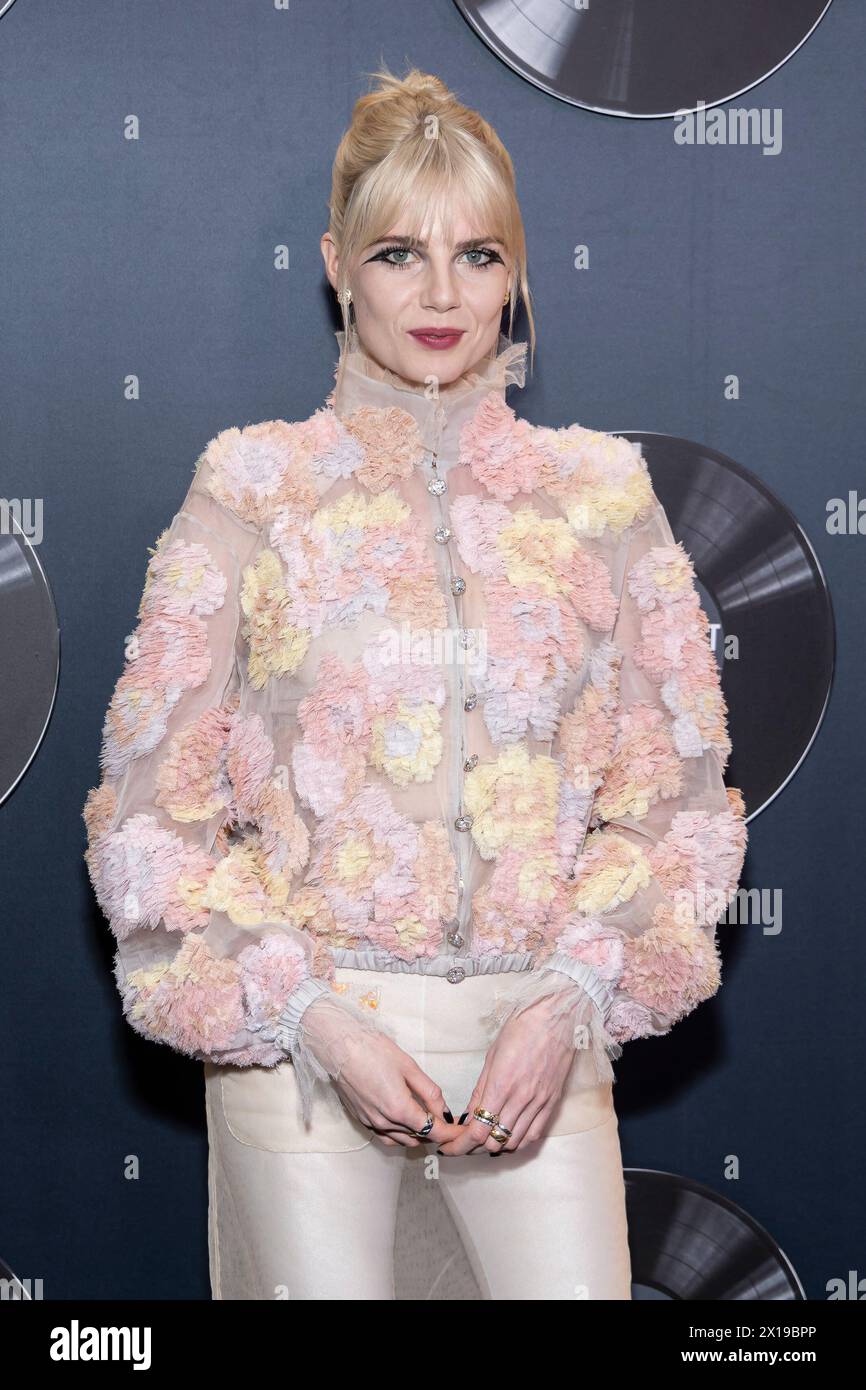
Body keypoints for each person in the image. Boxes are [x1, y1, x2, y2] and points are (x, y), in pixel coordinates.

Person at [82, 65, 748, 1300]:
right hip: (301, 1055)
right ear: (335, 264)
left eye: (477, 254)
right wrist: (312, 1020)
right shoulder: (250, 491)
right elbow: (141, 830)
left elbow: (684, 808)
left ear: (517, 273)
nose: (442, 293)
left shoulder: (601, 496)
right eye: (399, 252)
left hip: (540, 1049)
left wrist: (567, 1002)